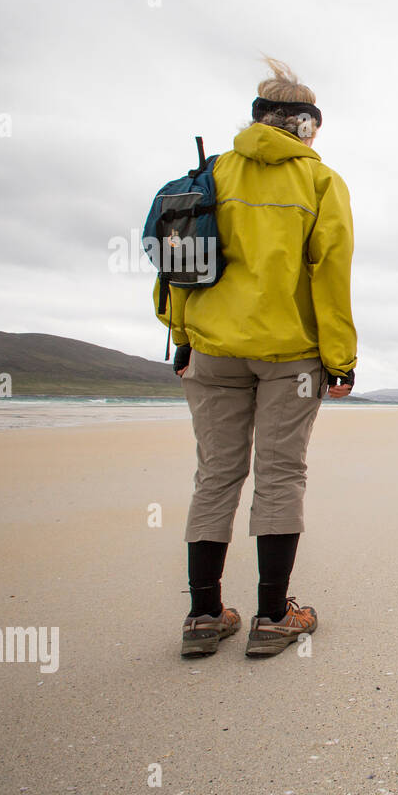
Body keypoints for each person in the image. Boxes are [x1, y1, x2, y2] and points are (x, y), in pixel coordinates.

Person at [155, 57, 356, 658]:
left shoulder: (210, 174)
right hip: (290, 355)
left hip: (212, 351)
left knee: (215, 476)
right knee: (279, 475)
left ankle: (203, 615)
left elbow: (177, 267)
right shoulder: (321, 184)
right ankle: (273, 616)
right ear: (305, 126)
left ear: (257, 119)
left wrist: (181, 336)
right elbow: (331, 277)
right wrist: (340, 359)